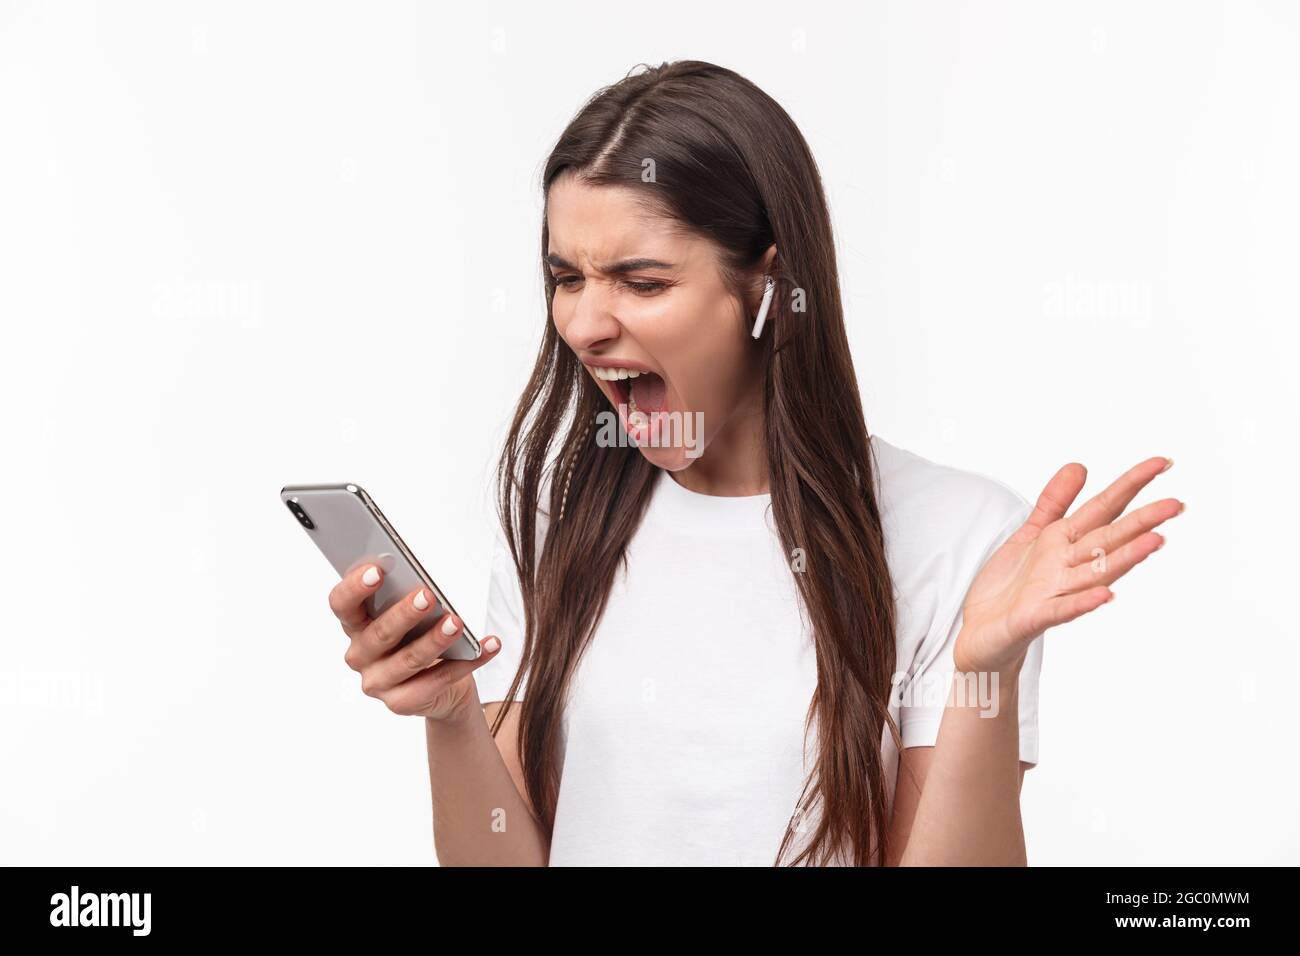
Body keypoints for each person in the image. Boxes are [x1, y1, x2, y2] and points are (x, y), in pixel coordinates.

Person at [327, 61, 1183, 866]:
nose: (584, 324)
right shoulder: (563, 520)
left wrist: (982, 673)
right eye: (566, 277)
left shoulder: (955, 533)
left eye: (642, 281)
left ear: (770, 289)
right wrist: (448, 717)